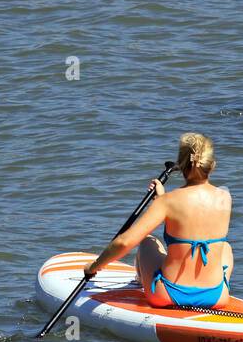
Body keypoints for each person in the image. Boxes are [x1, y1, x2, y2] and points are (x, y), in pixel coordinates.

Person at [82, 132, 234, 309]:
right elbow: (193, 222)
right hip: (216, 296)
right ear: (212, 165)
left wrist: (94, 266)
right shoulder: (225, 197)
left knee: (148, 242)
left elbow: (125, 242)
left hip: (168, 294)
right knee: (226, 248)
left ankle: (141, 281)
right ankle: (213, 286)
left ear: (181, 166)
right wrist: (162, 199)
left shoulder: (168, 202)